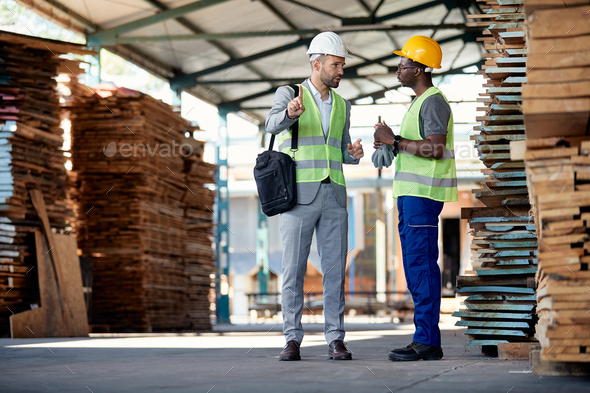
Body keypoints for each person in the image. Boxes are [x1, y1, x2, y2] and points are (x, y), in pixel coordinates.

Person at [265, 32, 364, 361]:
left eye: (342, 66)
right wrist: (290, 114)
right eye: (336, 65)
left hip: (334, 194)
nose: (340, 71)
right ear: (316, 63)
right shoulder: (290, 93)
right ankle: (292, 338)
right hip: (298, 196)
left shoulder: (342, 105)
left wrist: (353, 153)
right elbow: (270, 126)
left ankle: (336, 338)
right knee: (292, 269)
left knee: (335, 270)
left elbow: (339, 150)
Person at [373, 35, 458, 362]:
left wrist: (394, 139)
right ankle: (425, 338)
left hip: (422, 197)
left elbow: (435, 148)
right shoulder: (419, 102)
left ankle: (427, 340)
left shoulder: (433, 101)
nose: (399, 69)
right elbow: (417, 145)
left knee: (421, 266)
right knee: (417, 267)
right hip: (412, 197)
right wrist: (392, 143)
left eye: (404, 65)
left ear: (419, 69)